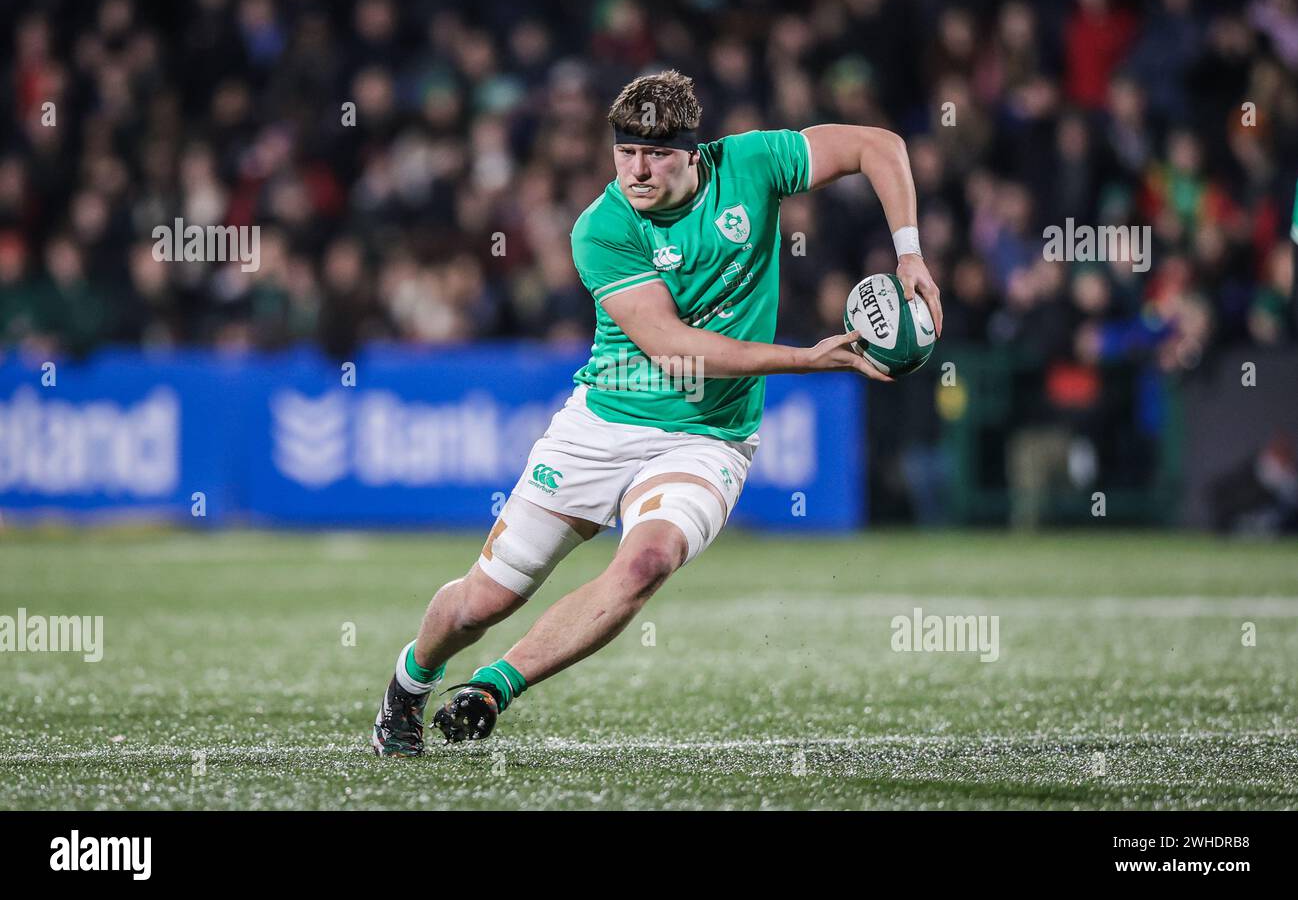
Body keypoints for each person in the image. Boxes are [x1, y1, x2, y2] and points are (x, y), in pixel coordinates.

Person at [371, 70, 942, 753]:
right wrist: (807, 360)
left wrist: (910, 256)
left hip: (709, 437)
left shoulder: (754, 163)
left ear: (694, 151)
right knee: (482, 602)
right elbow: (674, 349)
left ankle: (493, 687)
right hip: (603, 423)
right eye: (625, 152)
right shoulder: (602, 228)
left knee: (647, 562)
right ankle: (408, 685)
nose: (638, 170)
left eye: (656, 153)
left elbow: (878, 145)